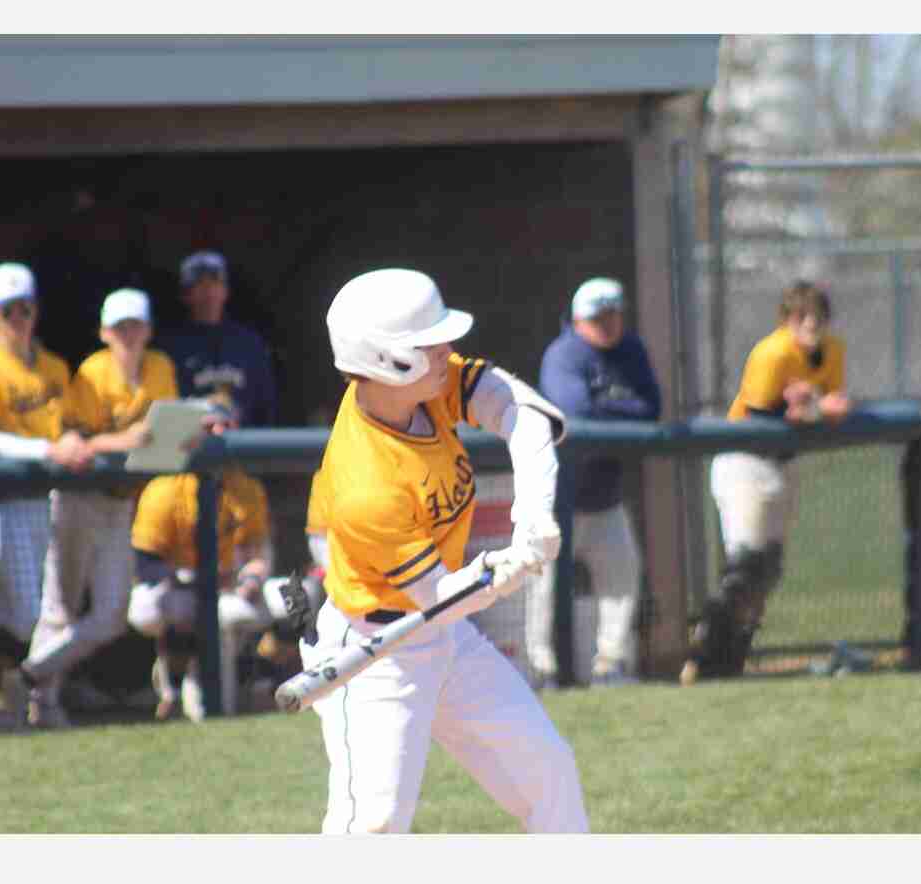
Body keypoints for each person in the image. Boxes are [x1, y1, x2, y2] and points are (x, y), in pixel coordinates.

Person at [300, 267, 588, 834]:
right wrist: (498, 572)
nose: (447, 352)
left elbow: (519, 411)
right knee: (372, 825)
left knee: (549, 773)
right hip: (378, 647)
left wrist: (533, 508)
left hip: (445, 635)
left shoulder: (421, 393)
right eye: (429, 345)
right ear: (388, 361)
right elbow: (436, 596)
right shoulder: (365, 484)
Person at [0, 288, 179, 728]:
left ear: (149, 329)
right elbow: (76, 444)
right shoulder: (91, 374)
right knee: (60, 608)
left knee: (113, 614)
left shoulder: (160, 367)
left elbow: (168, 435)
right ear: (103, 332)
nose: (128, 335)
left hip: (120, 502)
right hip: (80, 498)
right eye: (119, 328)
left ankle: (26, 675)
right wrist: (130, 440)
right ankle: (45, 704)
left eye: (135, 326)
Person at [684, 280, 852, 685]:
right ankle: (705, 656)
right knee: (745, 564)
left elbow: (832, 400)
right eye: (801, 316)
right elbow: (761, 418)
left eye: (818, 315)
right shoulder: (773, 351)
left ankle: (732, 661)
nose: (811, 323)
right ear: (786, 319)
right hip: (746, 462)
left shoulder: (833, 350)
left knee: (768, 570)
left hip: (783, 466)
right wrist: (808, 409)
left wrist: (821, 407)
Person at [0, 261, 94, 731]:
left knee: (39, 610)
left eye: (25, 308)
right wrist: (47, 448)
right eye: (8, 310)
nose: (18, 317)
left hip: (51, 496)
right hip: (5, 500)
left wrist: (74, 441)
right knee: (23, 613)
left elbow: (70, 423)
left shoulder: (54, 366)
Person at [525, 277, 662, 688]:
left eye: (613, 315)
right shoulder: (564, 353)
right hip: (555, 497)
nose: (607, 324)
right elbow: (575, 411)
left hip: (604, 496)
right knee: (544, 588)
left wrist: (606, 406)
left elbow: (651, 407)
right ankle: (542, 671)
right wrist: (621, 407)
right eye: (598, 317)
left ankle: (610, 665)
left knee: (622, 576)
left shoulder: (631, 349)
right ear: (579, 319)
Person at [126, 395, 280, 722]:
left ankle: (266, 681)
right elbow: (144, 562)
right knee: (147, 609)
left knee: (298, 596)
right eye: (210, 426)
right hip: (178, 585)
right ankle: (180, 678)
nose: (218, 431)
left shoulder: (247, 487)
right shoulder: (165, 486)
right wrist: (196, 581)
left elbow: (257, 548)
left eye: (226, 425)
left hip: (229, 583)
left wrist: (253, 576)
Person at [158, 250, 278, 430]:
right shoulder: (170, 347)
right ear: (185, 294)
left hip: (243, 445)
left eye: (215, 283)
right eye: (199, 285)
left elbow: (266, 406)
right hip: (190, 446)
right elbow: (166, 408)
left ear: (225, 290)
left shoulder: (249, 343)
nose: (208, 291)